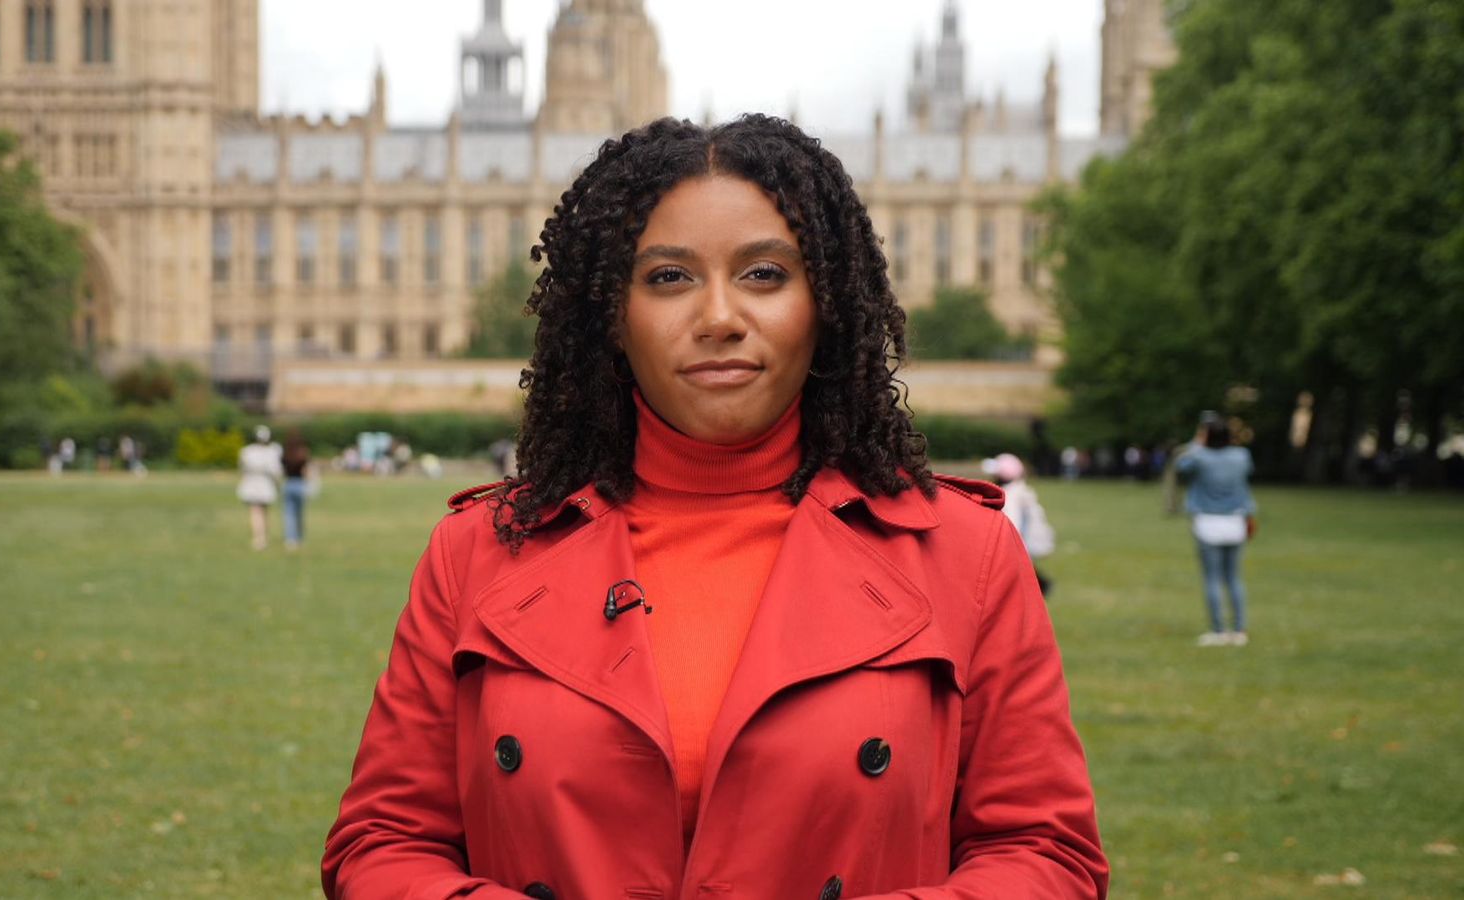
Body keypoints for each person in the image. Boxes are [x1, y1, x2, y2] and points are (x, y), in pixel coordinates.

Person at [322, 115, 1107, 899]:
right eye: (669, 277)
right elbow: (383, 846)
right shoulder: (478, 555)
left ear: (825, 302)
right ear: (611, 315)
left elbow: (1045, 855)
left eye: (764, 274)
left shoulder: (966, 558)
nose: (720, 317)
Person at [1175, 414, 1256, 646]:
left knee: (1212, 578)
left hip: (1208, 522)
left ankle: (1219, 630)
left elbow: (1182, 469)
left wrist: (1196, 443)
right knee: (1233, 578)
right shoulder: (1241, 456)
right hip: (1236, 521)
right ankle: (1240, 630)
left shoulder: (1199, 457)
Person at [986, 452, 1056, 597]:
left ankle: (1042, 586)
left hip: (1016, 546)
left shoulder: (1009, 496)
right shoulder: (1021, 490)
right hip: (1025, 544)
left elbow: (1012, 523)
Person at [236, 425, 283, 551]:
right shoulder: (271, 452)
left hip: (253, 483)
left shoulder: (247, 451)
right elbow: (276, 472)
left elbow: (242, 469)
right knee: (262, 511)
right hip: (264, 484)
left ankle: (259, 537)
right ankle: (261, 537)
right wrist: (278, 485)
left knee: (255, 511)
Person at [281, 429, 314, 551]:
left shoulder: (285, 453)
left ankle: (290, 539)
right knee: (299, 514)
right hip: (300, 484)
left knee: (289, 515)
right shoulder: (303, 453)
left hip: (288, 483)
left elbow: (282, 470)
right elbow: (306, 471)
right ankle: (299, 537)